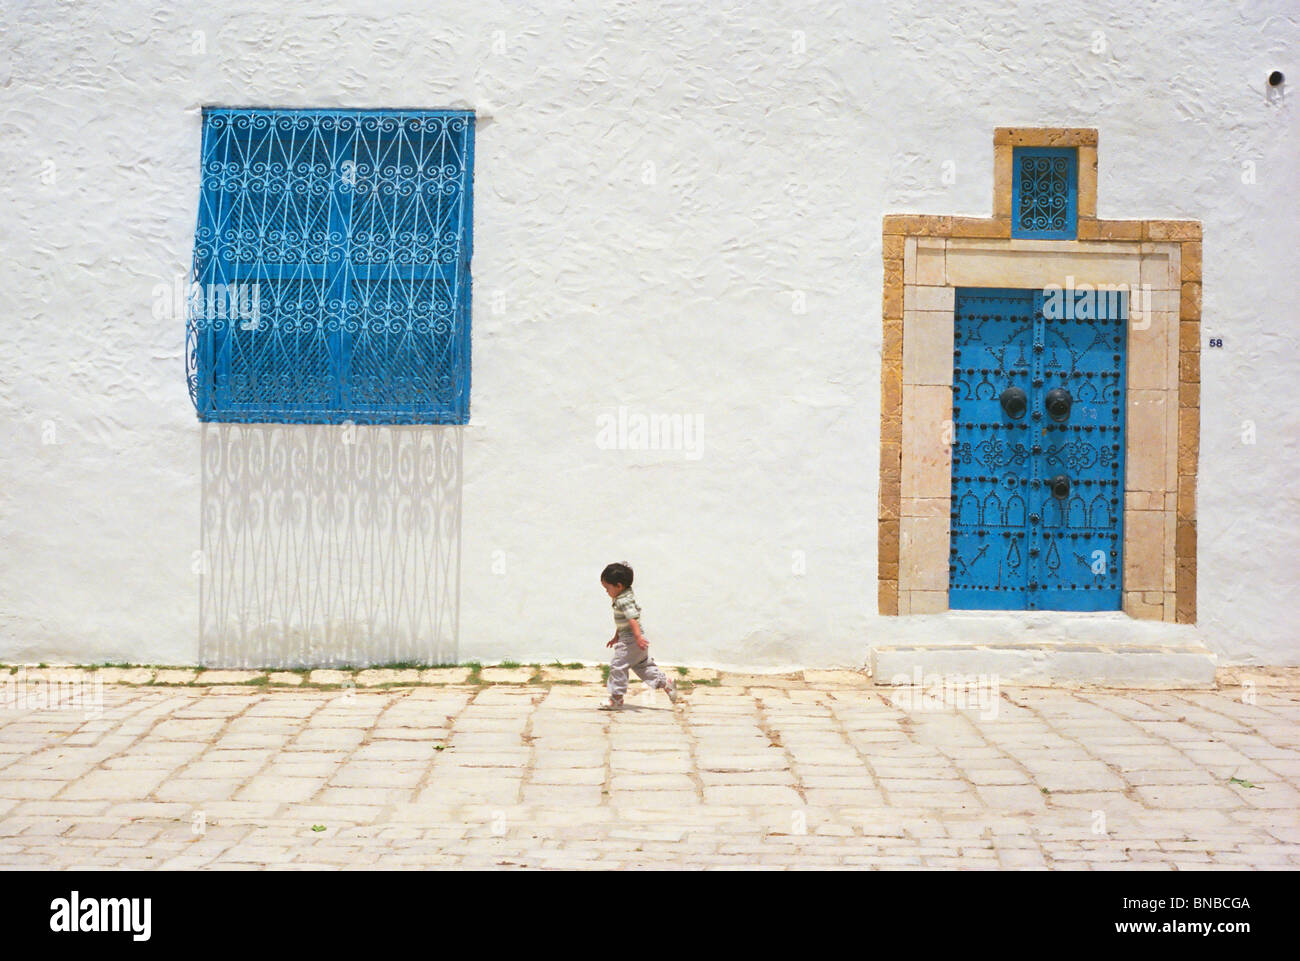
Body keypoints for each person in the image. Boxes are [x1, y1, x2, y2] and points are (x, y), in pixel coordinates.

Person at [598, 561, 677, 711]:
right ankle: (666, 683)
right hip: (630, 638)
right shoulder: (625, 596)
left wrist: (637, 637)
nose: (606, 592)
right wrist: (616, 636)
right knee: (642, 666)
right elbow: (624, 622)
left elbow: (632, 619)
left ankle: (616, 698)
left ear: (619, 586)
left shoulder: (623, 601)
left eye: (607, 588)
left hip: (631, 640)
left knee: (618, 666)